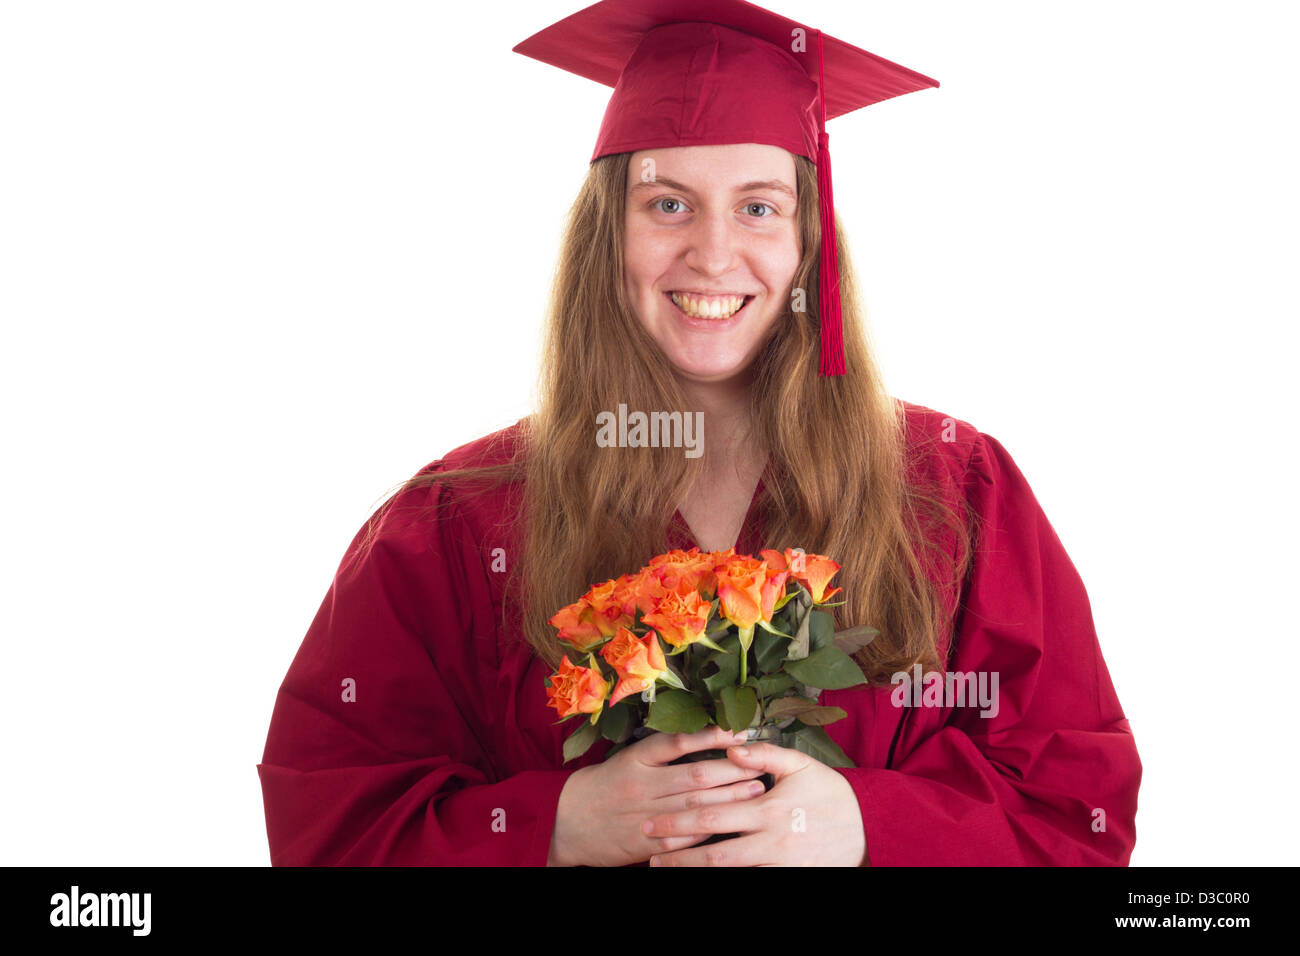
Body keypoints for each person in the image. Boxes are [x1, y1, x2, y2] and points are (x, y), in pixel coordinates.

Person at [257, 0, 1142, 866]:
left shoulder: (953, 486)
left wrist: (872, 828)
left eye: (759, 207)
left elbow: (1078, 811)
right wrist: (558, 829)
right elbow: (329, 822)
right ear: (609, 233)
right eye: (668, 206)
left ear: (809, 244)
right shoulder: (454, 520)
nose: (714, 257)